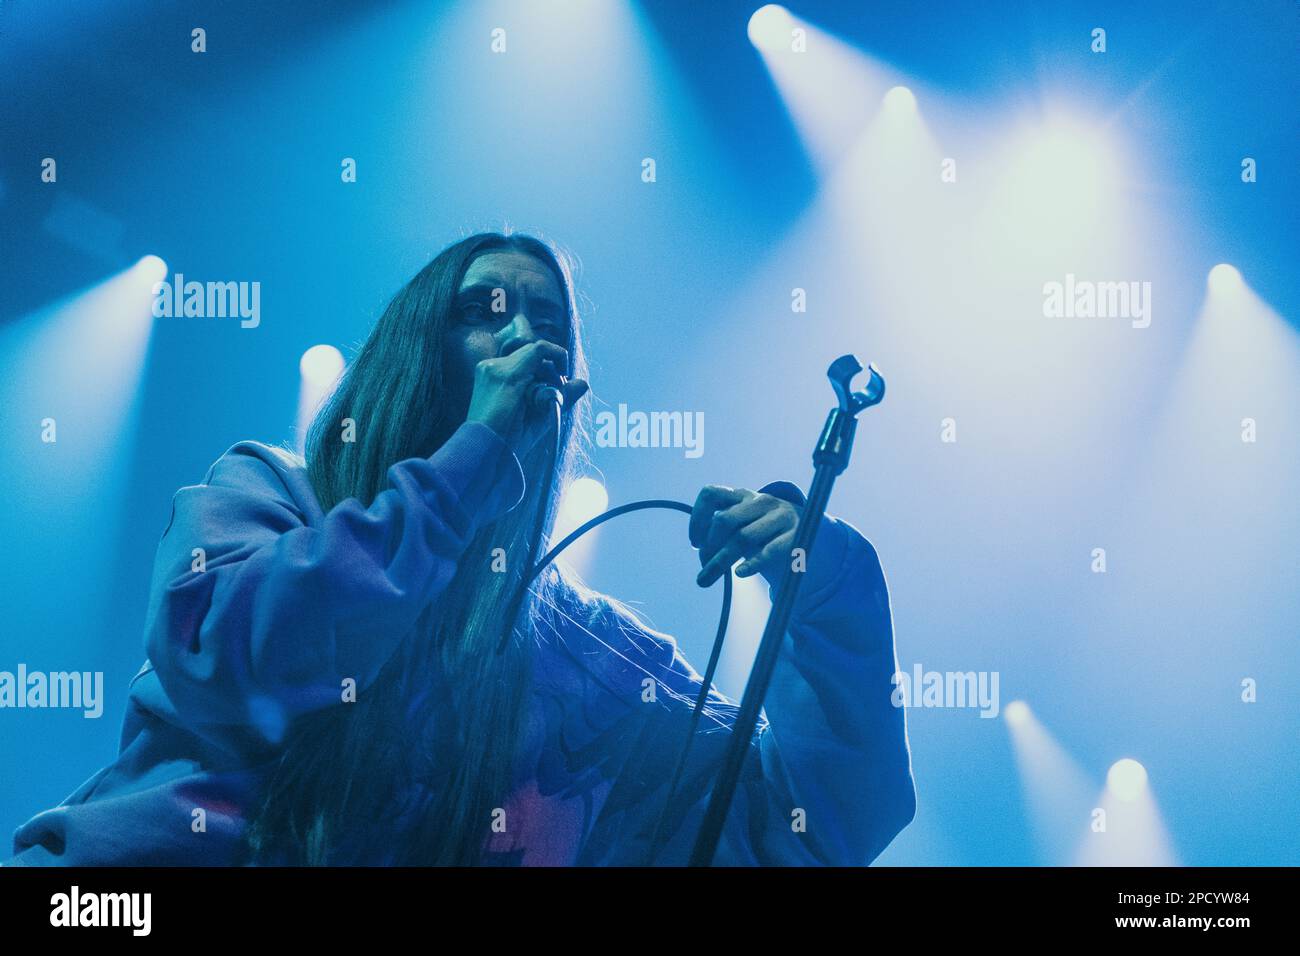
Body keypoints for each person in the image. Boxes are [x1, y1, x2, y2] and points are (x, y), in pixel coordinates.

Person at [8, 232, 915, 866]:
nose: (524, 334)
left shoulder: (590, 658)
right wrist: (466, 467)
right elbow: (234, 657)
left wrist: (826, 585)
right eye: (484, 309)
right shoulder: (271, 495)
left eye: (548, 320)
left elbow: (811, 826)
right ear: (414, 348)